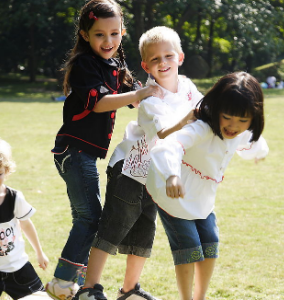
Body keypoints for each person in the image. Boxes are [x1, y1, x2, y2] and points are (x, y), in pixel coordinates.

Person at [74, 26, 203, 300]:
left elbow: (205, 113)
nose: (163, 63)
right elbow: (165, 133)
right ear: (145, 65)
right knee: (113, 227)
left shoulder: (188, 88)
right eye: (155, 59)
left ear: (180, 57)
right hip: (130, 171)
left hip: (154, 176)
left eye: (168, 56)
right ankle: (88, 288)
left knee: (144, 232)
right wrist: (187, 121)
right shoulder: (150, 97)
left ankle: (129, 290)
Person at [45, 1, 162, 299]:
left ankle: (77, 282)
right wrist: (137, 94)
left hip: (83, 155)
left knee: (86, 218)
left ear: (122, 32)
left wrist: (158, 92)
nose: (108, 41)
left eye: (114, 33)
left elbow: (137, 97)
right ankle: (65, 282)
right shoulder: (85, 65)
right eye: (99, 34)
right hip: (74, 153)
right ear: (85, 35)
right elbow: (99, 102)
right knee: (89, 219)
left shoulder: (114, 66)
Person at [145, 71, 269, 300]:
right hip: (173, 192)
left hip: (202, 198)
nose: (233, 126)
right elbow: (168, 146)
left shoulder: (241, 133)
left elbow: (254, 142)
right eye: (228, 117)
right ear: (217, 108)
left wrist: (260, 153)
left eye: (242, 120)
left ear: (253, 118)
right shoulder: (202, 128)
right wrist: (172, 175)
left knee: (210, 244)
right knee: (190, 249)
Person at [0, 138, 49, 300]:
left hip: (17, 269)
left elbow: (26, 225)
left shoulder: (14, 198)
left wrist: (39, 253)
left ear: (7, 171)